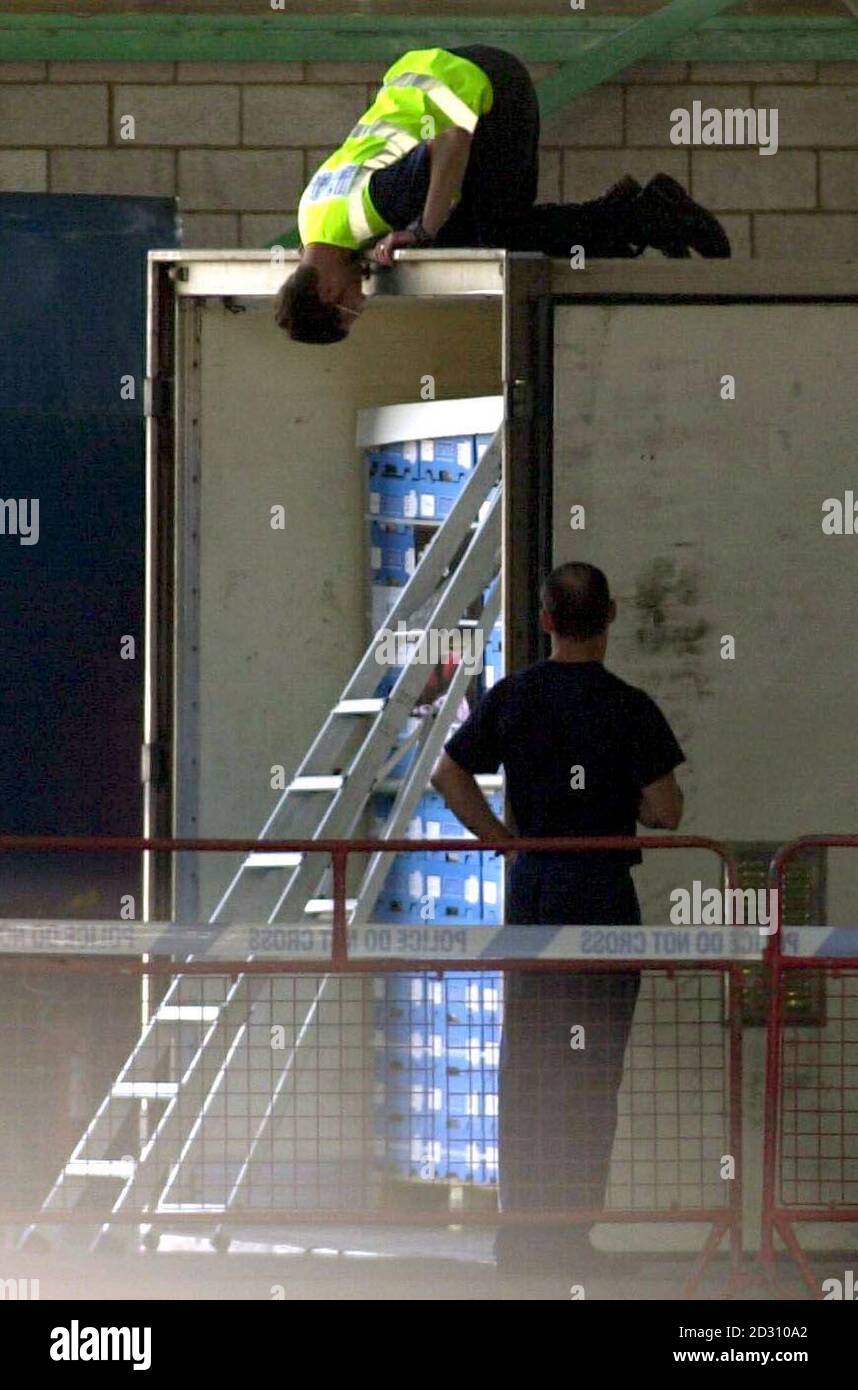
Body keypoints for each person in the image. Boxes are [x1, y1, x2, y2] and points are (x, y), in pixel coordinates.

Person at [430, 562, 685, 1288]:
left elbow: (448, 773)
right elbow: (665, 812)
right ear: (612, 615)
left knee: (531, 1070)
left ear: (544, 620)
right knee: (592, 1071)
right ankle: (573, 1235)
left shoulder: (514, 697)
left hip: (535, 895)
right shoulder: (629, 707)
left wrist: (503, 841)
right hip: (602, 898)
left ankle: (522, 1237)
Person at [274, 45, 730, 344]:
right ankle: (630, 216)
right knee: (475, 230)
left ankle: (646, 215)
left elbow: (451, 140)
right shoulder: (311, 220)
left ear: (329, 289)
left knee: (492, 237)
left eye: (352, 303)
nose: (363, 296)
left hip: (490, 91)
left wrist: (421, 229)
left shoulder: (368, 208)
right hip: (450, 69)